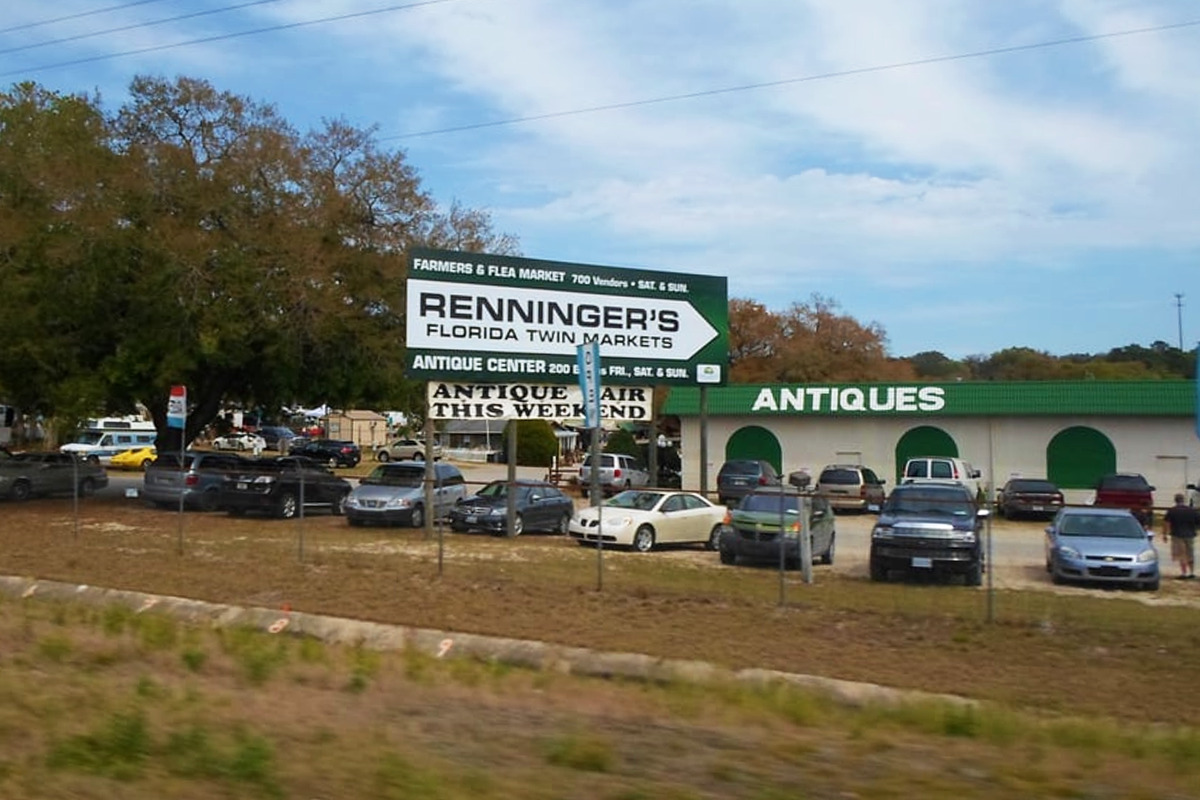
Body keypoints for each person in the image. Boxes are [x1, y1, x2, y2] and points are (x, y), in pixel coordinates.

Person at [1162, 493, 1200, 580]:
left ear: (1175, 500)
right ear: (1183, 500)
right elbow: (1198, 522)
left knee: (1181, 554)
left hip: (1177, 535)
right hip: (1190, 535)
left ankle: (1184, 573)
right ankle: (1192, 572)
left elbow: (1166, 523)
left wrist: (1165, 534)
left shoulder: (1172, 510)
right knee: (1190, 553)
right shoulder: (1191, 510)